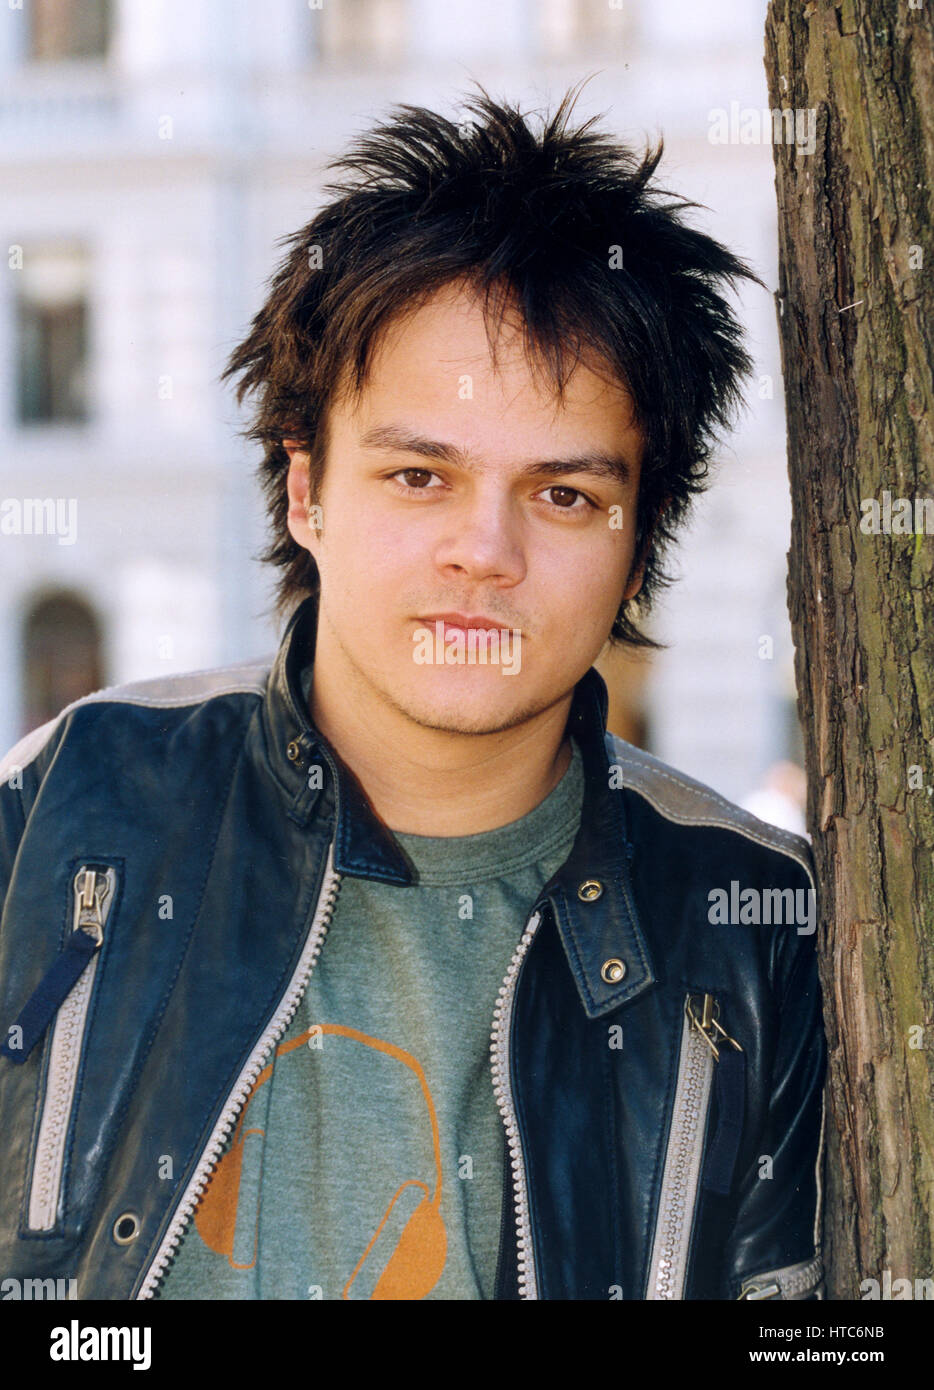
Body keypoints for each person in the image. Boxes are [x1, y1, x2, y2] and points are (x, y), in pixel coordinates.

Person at [0, 87, 825, 1301]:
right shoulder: (68, 803)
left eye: (564, 495)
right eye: (418, 474)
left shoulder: (753, 924)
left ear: (638, 544)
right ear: (306, 492)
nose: (482, 551)